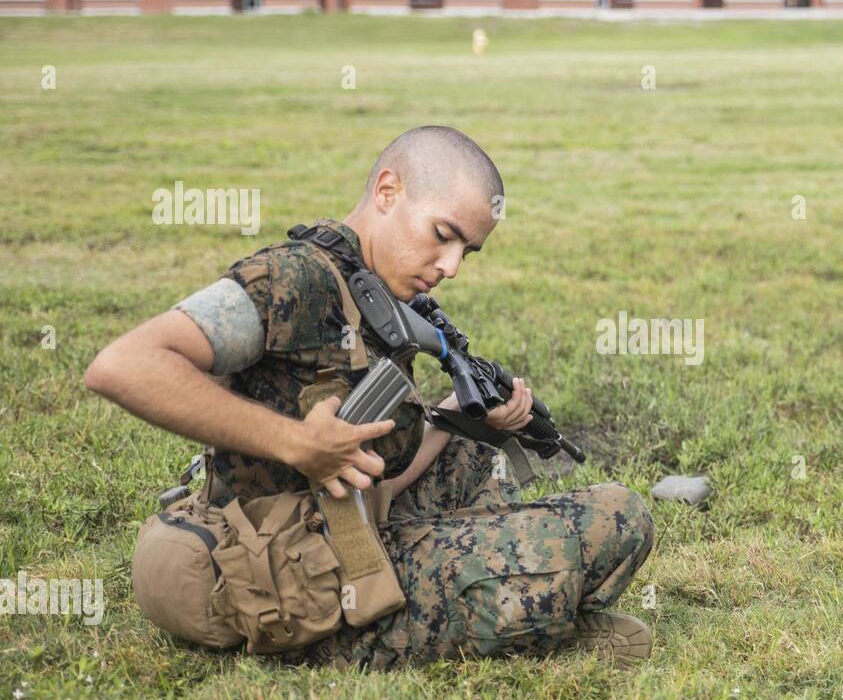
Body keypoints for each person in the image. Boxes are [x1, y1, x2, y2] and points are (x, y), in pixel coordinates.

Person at [84, 126, 656, 670]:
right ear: (388, 191)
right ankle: (377, 631)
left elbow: (369, 478)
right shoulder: (294, 279)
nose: (452, 267)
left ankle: (504, 604)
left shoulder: (377, 297)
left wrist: (461, 419)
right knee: (570, 542)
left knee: (619, 513)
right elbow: (123, 365)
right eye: (443, 235)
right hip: (276, 573)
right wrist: (296, 443)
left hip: (342, 529)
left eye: (468, 251)